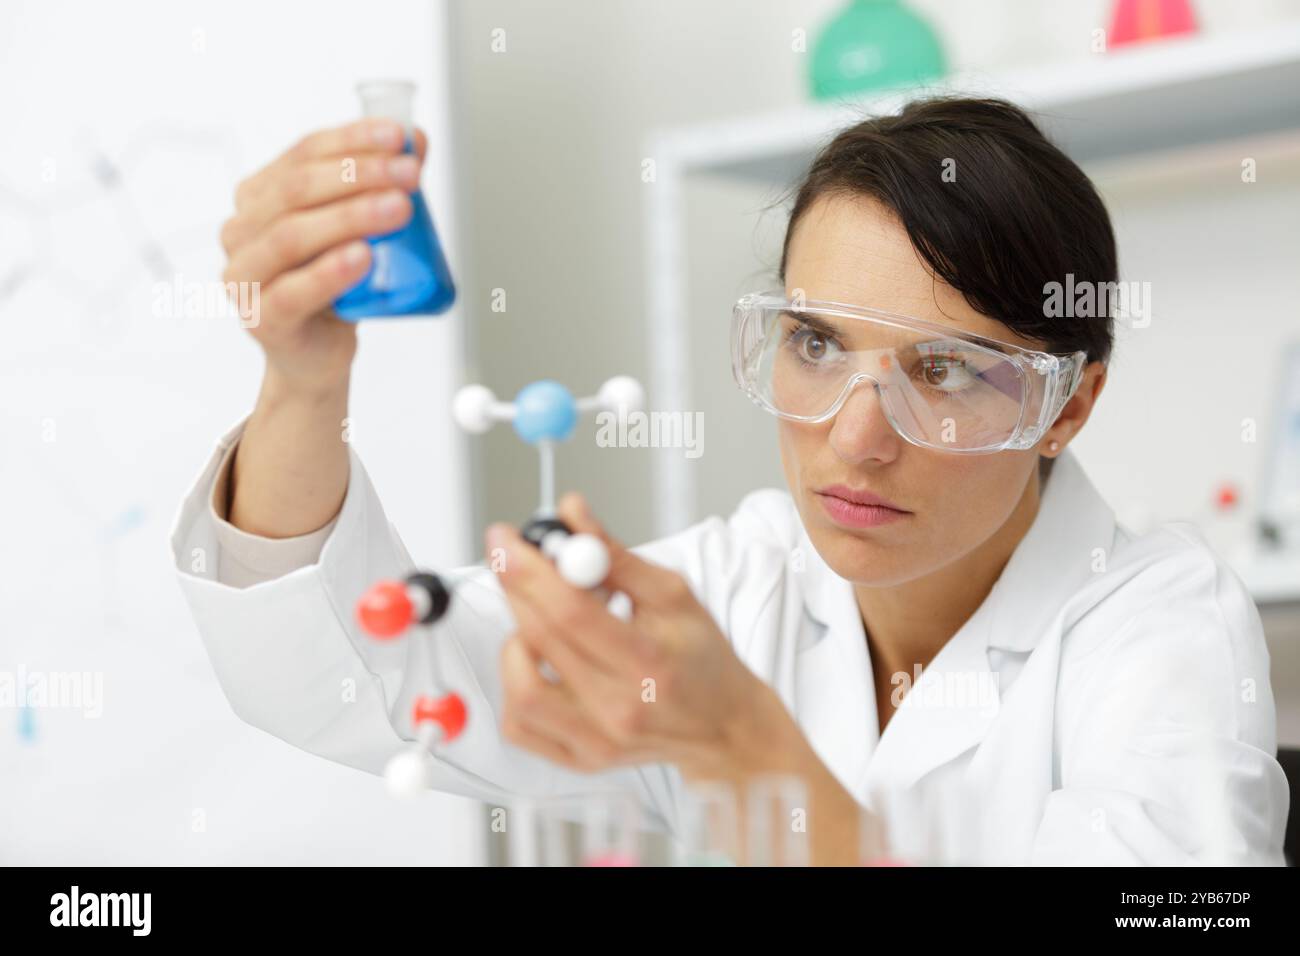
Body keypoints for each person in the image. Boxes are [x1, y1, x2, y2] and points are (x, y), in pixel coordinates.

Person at [171, 97, 1288, 865]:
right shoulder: (743, 583)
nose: (854, 439)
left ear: (1068, 404)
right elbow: (357, 675)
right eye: (812, 343)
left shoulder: (1160, 626)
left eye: (939, 370)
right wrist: (303, 385)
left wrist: (745, 750)